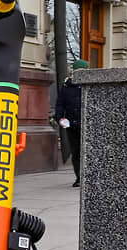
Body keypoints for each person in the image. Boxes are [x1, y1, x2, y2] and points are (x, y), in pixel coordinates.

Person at [54, 58, 88, 188]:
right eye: (78, 71)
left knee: (87, 152)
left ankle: (88, 177)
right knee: (76, 152)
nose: (80, 74)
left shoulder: (89, 86)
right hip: (72, 125)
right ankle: (79, 177)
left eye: (83, 71)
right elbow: (60, 104)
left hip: (87, 125)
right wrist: (59, 118)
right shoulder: (67, 86)